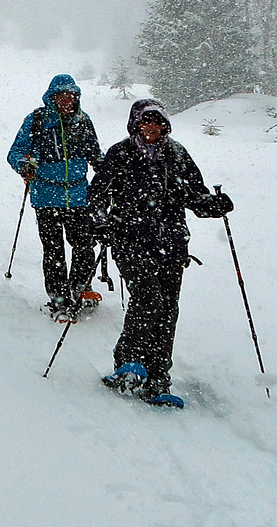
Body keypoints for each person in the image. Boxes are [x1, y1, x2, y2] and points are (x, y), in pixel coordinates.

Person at [88, 97, 233, 407]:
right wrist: (102, 223)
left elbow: (196, 196)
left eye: (156, 121)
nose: (151, 126)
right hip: (130, 241)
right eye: (145, 120)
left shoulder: (177, 154)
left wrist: (214, 206)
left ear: (164, 124)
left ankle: (157, 376)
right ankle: (128, 363)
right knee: (148, 298)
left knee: (167, 310)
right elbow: (96, 196)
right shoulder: (120, 154)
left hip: (171, 244)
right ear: (135, 123)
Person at [6, 74, 104, 319]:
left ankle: (81, 289)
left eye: (71, 95)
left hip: (79, 195)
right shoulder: (37, 120)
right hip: (46, 196)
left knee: (84, 245)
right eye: (61, 95)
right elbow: (15, 151)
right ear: (52, 97)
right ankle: (59, 300)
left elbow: (94, 153)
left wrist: (110, 174)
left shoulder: (83, 120)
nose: (66, 100)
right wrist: (23, 165)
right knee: (53, 250)